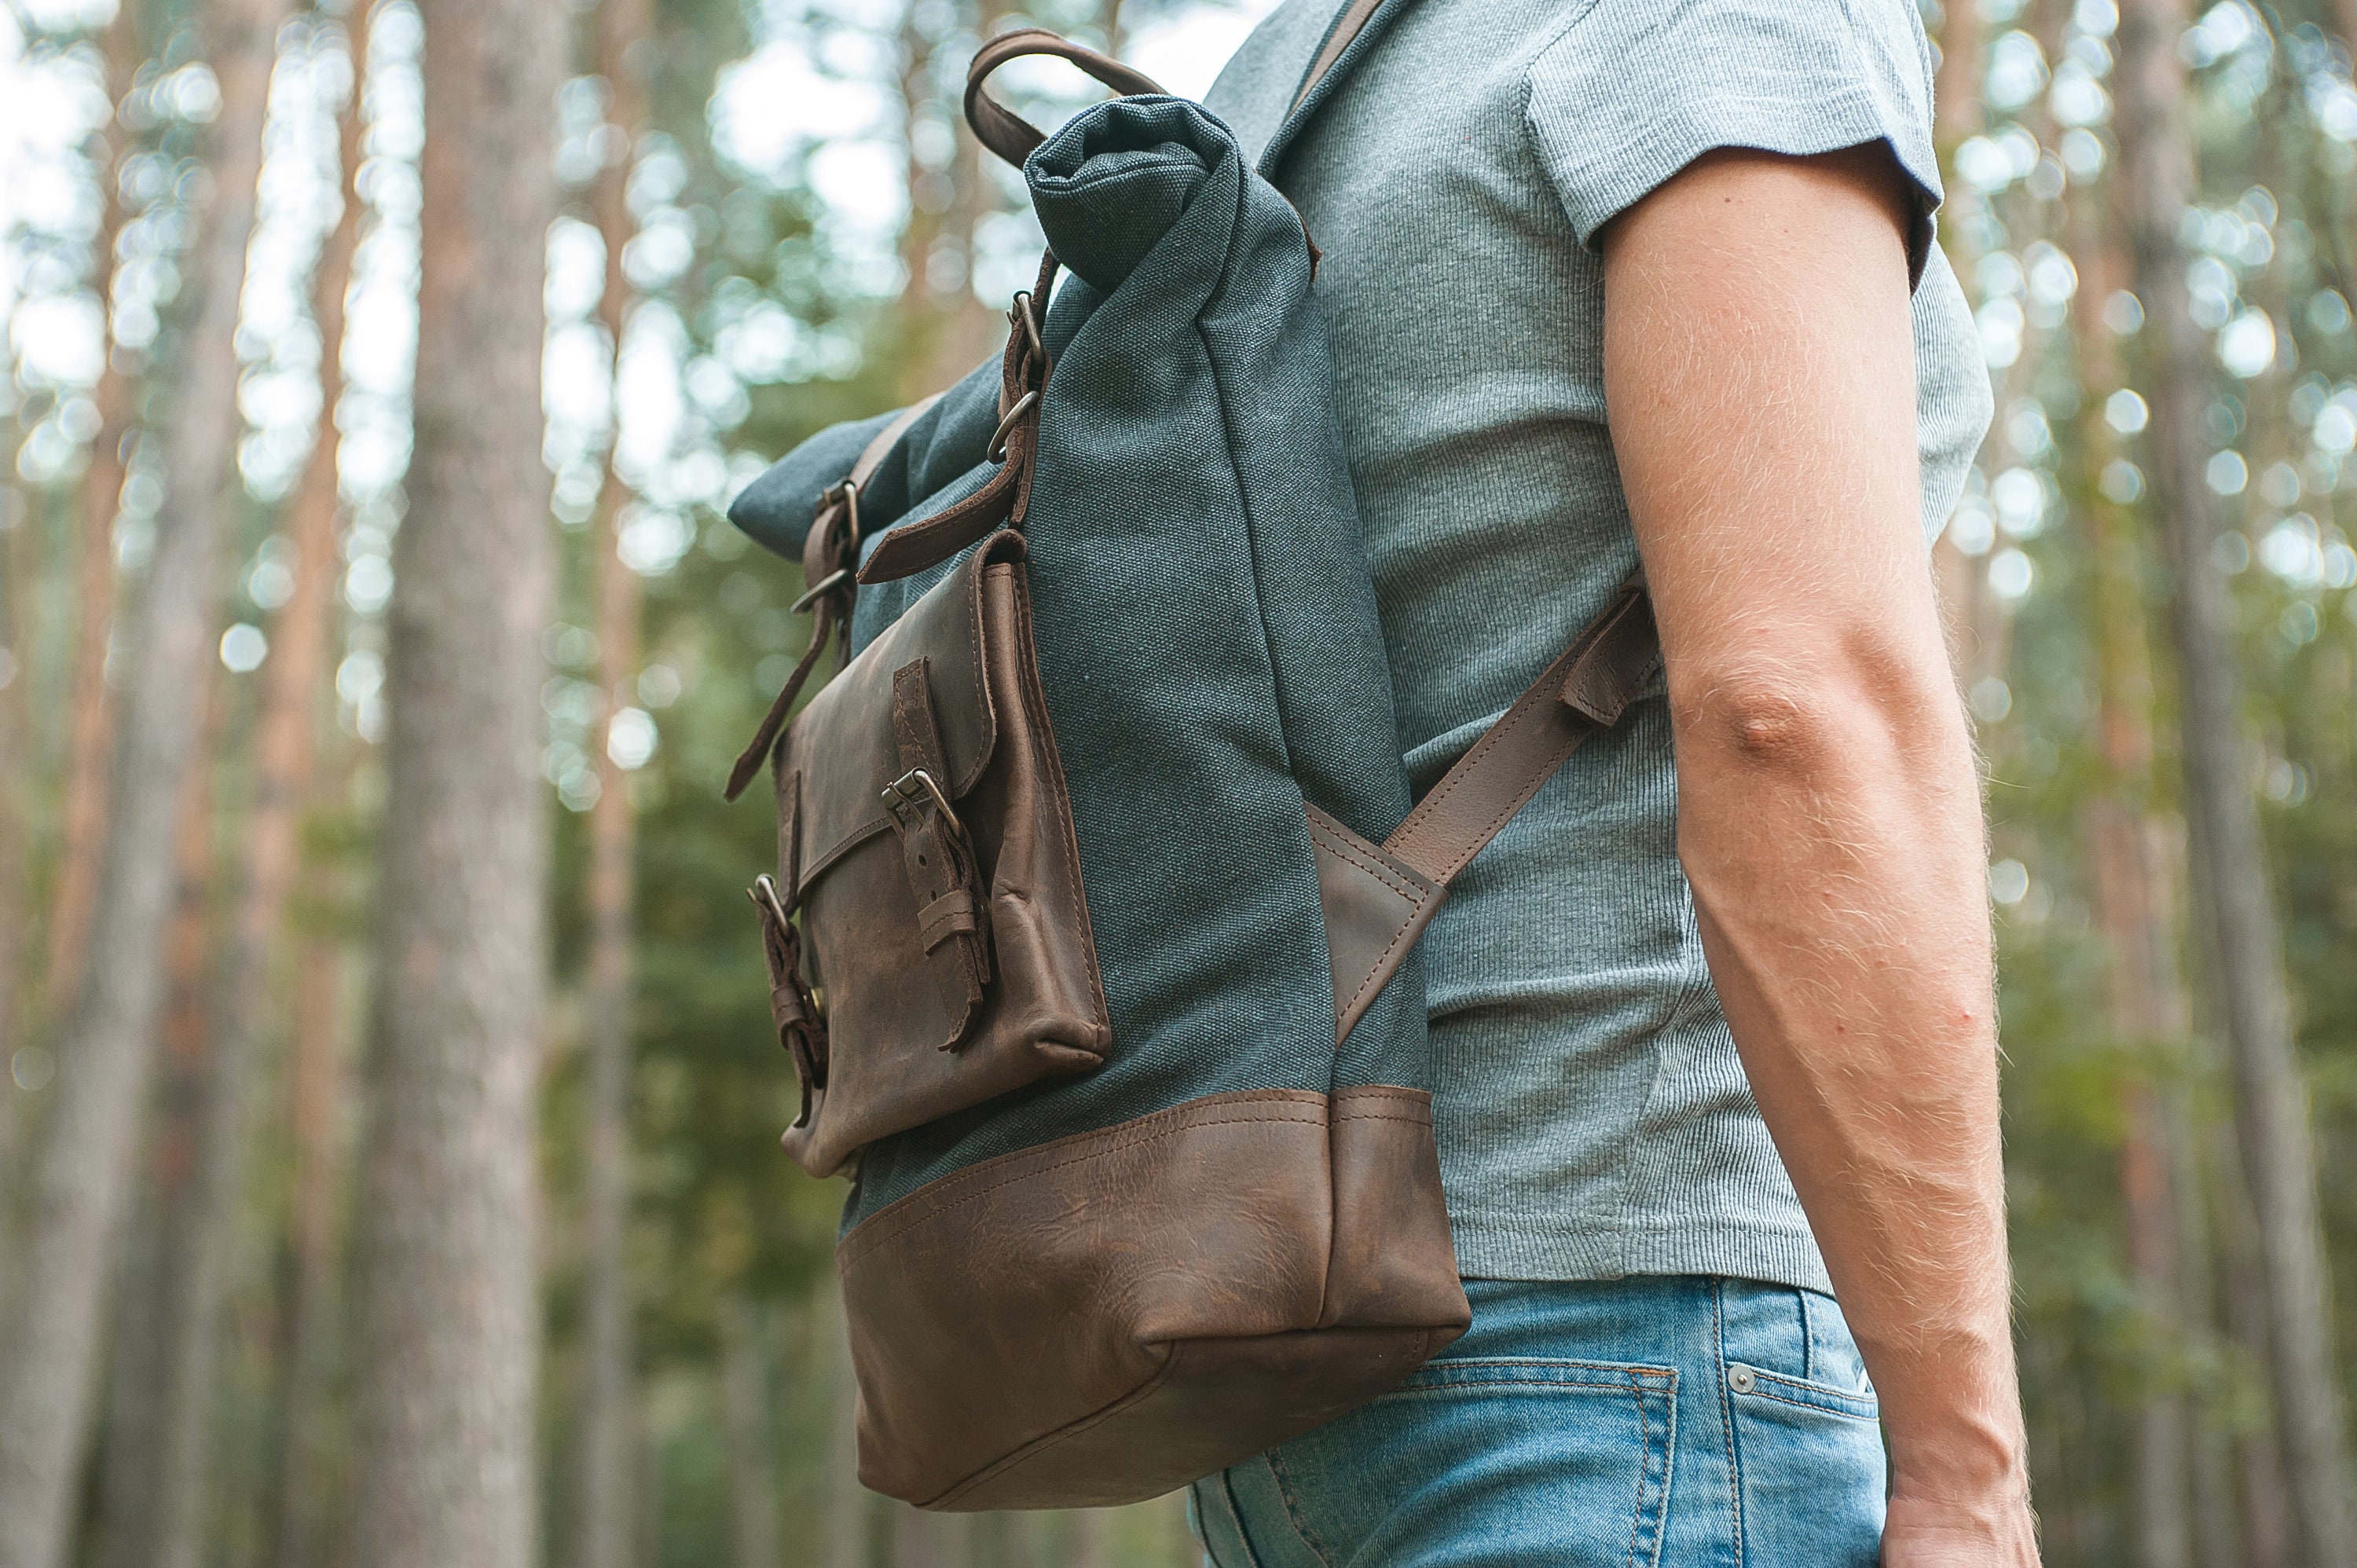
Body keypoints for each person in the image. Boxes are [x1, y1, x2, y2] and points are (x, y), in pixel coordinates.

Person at [1189, 2, 2036, 1563]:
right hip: (1642, 1356)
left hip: (1307, 1372)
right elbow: (1795, 707)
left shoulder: (1320, 58)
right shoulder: (1730, 18)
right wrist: (1966, 1467)